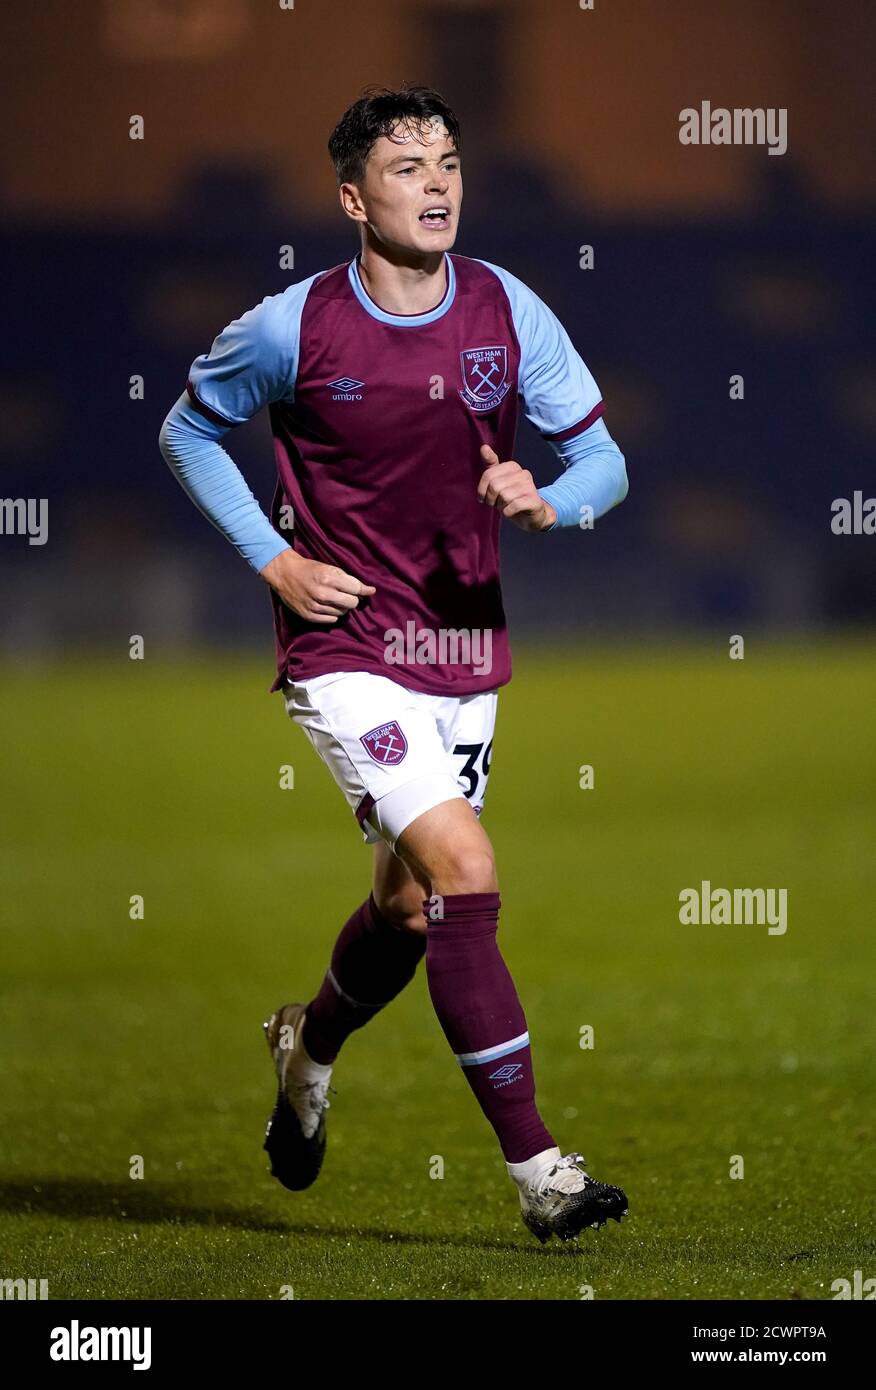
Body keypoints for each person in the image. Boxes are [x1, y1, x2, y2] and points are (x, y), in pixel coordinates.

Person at [159, 85, 629, 1243]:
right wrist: (274, 562)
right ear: (352, 198)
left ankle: (305, 1051)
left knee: (415, 907)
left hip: (459, 642)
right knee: (465, 868)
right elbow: (186, 430)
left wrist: (550, 499)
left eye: (449, 163)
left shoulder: (509, 308)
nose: (437, 184)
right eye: (408, 166)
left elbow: (603, 460)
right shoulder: (290, 327)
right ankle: (543, 1175)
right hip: (346, 641)